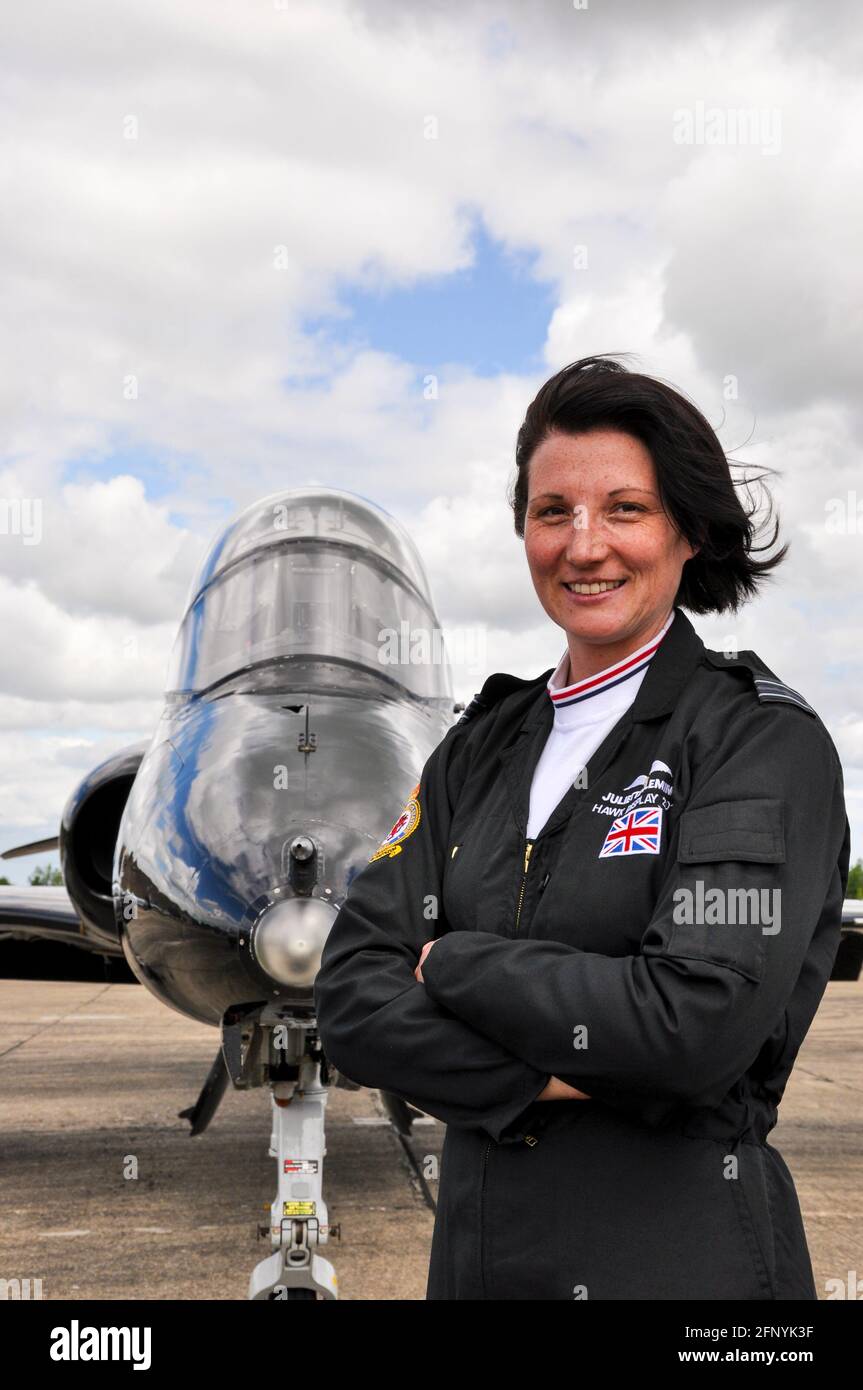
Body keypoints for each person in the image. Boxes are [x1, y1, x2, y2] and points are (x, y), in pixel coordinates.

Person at [313, 355, 850, 1301]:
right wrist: (548, 1075)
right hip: (480, 1268)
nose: (583, 544)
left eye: (625, 510)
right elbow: (353, 1002)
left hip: (687, 1271)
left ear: (688, 530)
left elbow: (694, 1027)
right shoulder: (475, 749)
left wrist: (453, 965)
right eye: (551, 511)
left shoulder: (757, 739)